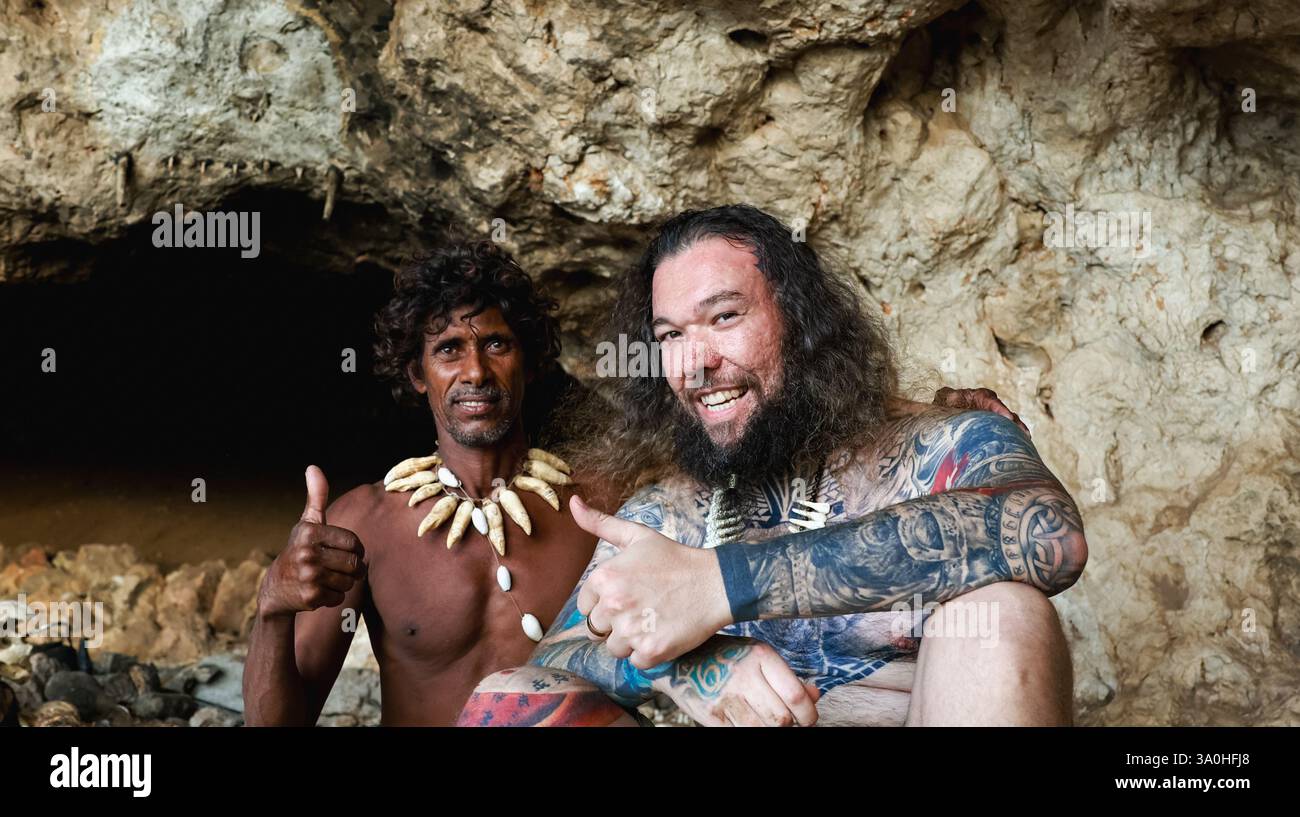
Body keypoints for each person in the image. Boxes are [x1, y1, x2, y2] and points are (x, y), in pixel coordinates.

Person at [461, 205, 1086, 726]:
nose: (693, 364)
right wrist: (686, 664)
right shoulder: (667, 514)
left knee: (1001, 614)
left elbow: (1047, 534)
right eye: (670, 335)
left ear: (802, 321)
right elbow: (561, 655)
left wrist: (717, 586)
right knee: (512, 702)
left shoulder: (942, 447)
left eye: (724, 317)